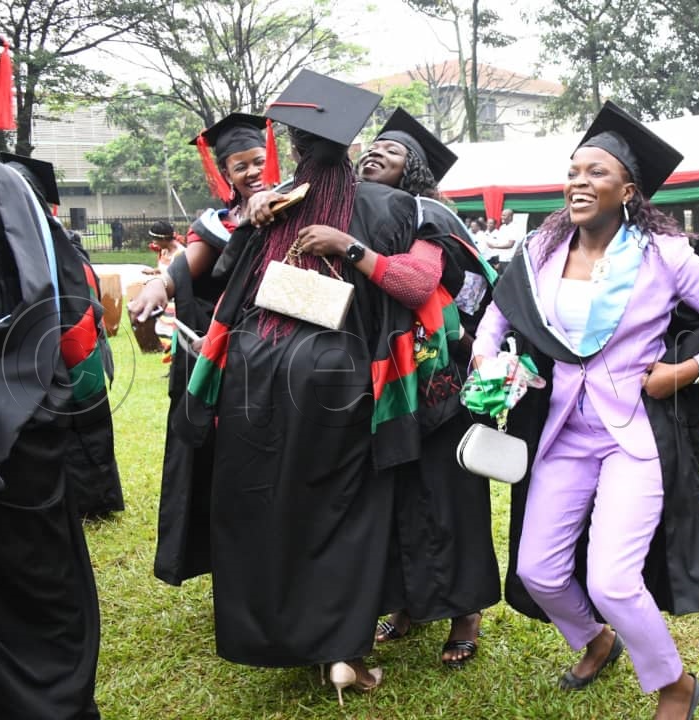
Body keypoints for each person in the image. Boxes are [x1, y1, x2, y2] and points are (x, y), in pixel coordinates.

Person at [472, 101, 699, 720]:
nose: (578, 182)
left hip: (632, 434)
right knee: (539, 569)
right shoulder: (541, 249)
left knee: (612, 579)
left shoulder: (665, 255)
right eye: (573, 172)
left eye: (596, 172)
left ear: (628, 191)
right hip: (561, 431)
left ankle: (674, 684)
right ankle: (594, 639)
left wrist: (686, 371)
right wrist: (486, 355)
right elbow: (500, 310)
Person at [177, 70, 454, 705]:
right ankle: (344, 653)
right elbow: (412, 293)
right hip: (341, 377)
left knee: (268, 503)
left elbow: (227, 287)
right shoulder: (390, 208)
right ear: (351, 147)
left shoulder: (270, 205)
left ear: (295, 146)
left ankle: (274, 633)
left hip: (256, 373)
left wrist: (253, 221)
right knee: (345, 514)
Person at [351, 107, 500, 668]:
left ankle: (465, 613)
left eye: (392, 150)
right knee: (395, 494)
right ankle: (407, 602)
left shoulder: (428, 214)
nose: (375, 152)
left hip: (438, 381)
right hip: (381, 379)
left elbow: (418, 286)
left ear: (414, 170)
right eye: (372, 145)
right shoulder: (354, 212)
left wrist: (349, 249)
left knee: (447, 496)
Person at [128, 113, 278, 586]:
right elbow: (184, 270)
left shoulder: (297, 206)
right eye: (240, 166)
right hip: (240, 364)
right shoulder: (219, 225)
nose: (252, 172)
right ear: (226, 175)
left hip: (289, 359)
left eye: (258, 161)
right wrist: (157, 289)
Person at [0, 157, 102, 719]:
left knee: (35, 584)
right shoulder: (8, 186)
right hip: (22, 414)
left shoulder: (5, 186)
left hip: (15, 427)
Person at [0, 151, 123, 519]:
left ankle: (94, 498)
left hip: (70, 344)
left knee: (81, 420)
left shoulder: (61, 244)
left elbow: (81, 296)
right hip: (38, 354)